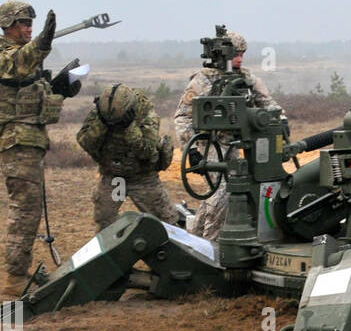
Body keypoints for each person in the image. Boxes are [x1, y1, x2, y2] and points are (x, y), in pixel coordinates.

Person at [0, 1, 79, 294]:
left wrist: (58, 90)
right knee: (24, 209)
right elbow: (23, 61)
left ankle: (18, 273)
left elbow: (30, 91)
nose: (28, 27)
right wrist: (43, 42)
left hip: (27, 142)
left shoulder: (20, 60)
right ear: (8, 25)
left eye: (30, 24)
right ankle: (14, 278)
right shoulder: (2, 58)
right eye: (23, 23)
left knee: (30, 207)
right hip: (16, 143)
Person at [173, 29, 280, 240]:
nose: (239, 58)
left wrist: (280, 124)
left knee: (216, 193)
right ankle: (212, 244)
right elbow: (182, 117)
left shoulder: (247, 79)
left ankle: (196, 239)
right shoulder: (203, 80)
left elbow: (269, 106)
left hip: (234, 145)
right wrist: (192, 149)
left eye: (242, 54)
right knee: (224, 193)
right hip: (210, 145)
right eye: (235, 54)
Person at [77, 83, 179, 230]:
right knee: (104, 220)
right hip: (113, 176)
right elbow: (86, 142)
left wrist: (129, 127)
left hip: (142, 177)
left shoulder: (145, 114)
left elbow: (146, 151)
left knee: (165, 223)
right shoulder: (103, 112)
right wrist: (102, 123)